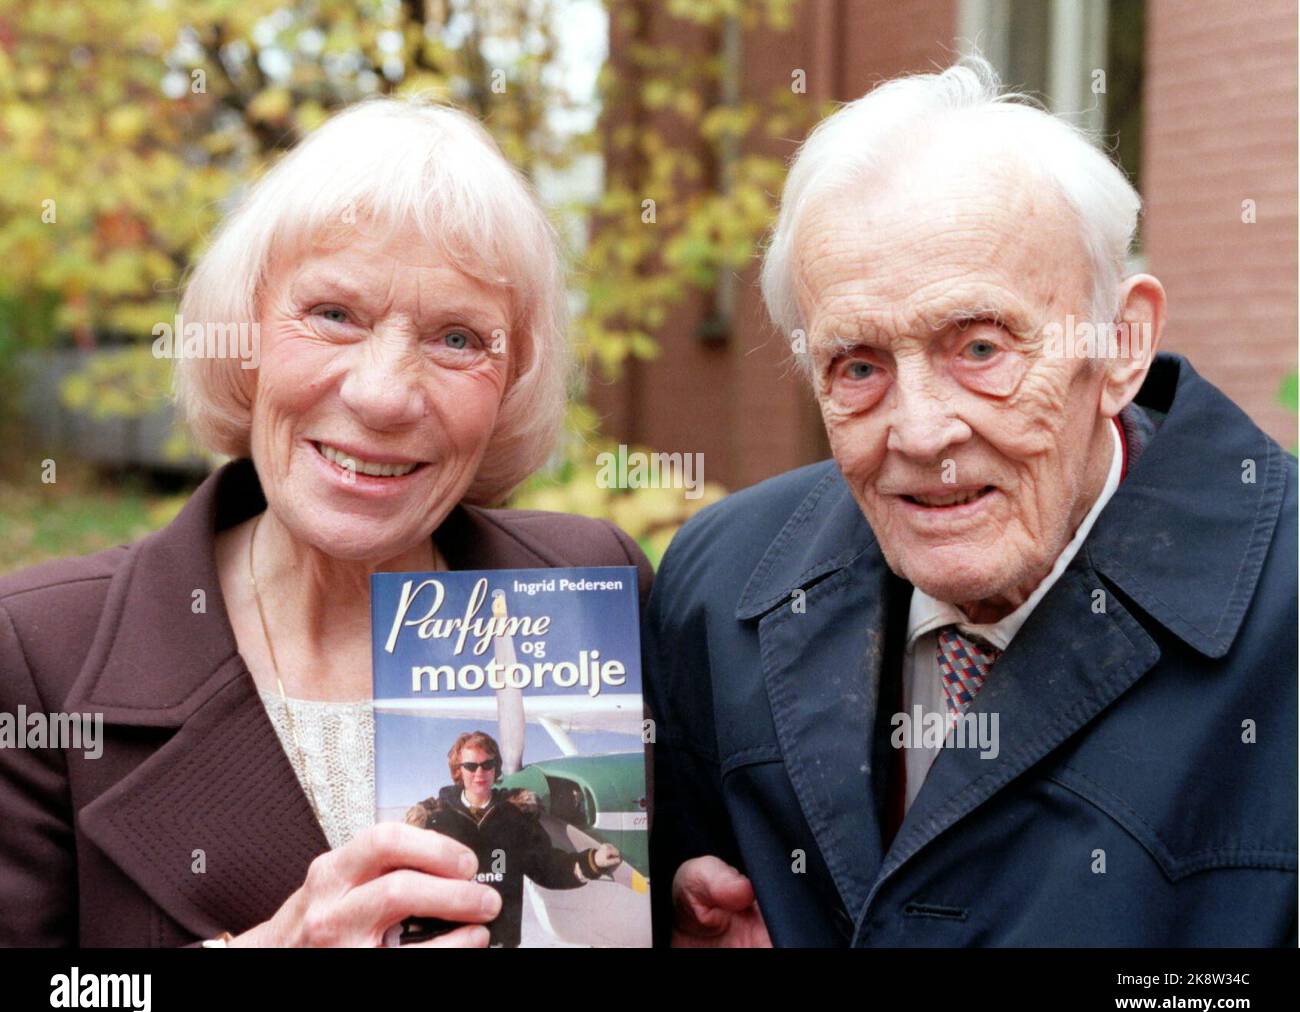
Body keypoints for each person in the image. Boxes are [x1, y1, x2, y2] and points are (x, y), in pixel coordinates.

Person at [645, 58, 1297, 947]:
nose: (920, 432)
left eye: (980, 348)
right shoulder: (721, 592)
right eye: (860, 366)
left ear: (1119, 345)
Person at [0, 98, 652, 948]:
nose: (382, 394)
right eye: (335, 315)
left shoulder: (590, 591)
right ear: (246, 336)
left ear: (513, 383)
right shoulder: (40, 649)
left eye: (457, 338)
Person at [403, 732, 622, 947]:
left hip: (501, 940)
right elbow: (416, 885)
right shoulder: (436, 819)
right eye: (470, 766)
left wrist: (592, 862)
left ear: (495, 768)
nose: (479, 772)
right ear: (458, 771)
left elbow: (547, 867)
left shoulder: (516, 816)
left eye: (487, 765)